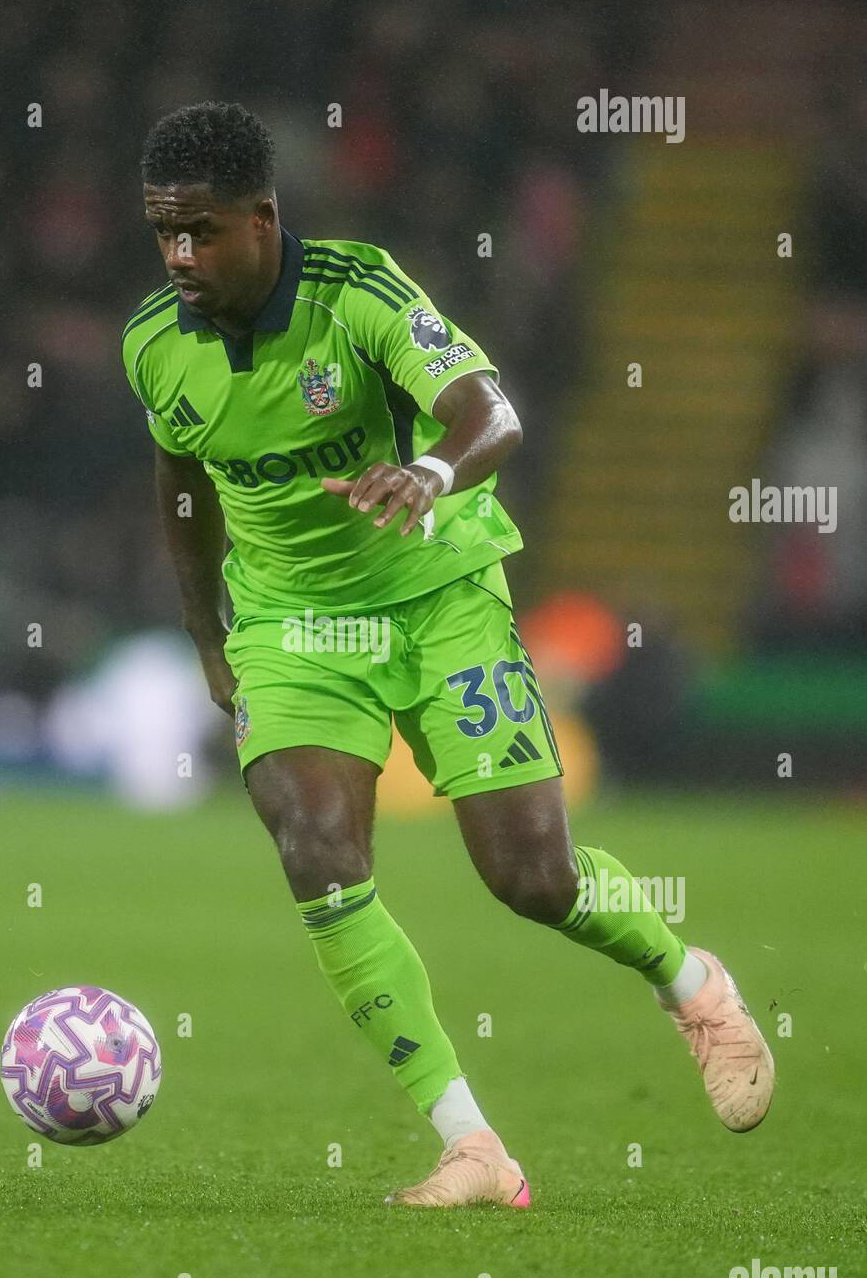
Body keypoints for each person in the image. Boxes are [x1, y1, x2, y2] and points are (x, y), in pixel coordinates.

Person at [121, 101, 774, 1208]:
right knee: (317, 850)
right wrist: (207, 630)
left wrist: (429, 470)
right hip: (291, 624)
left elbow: (492, 412)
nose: (180, 256)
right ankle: (472, 1145)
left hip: (438, 596)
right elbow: (182, 484)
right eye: (164, 232)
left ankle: (694, 983)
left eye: (203, 230)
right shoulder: (152, 345)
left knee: (532, 877)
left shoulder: (360, 293)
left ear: (265, 219)